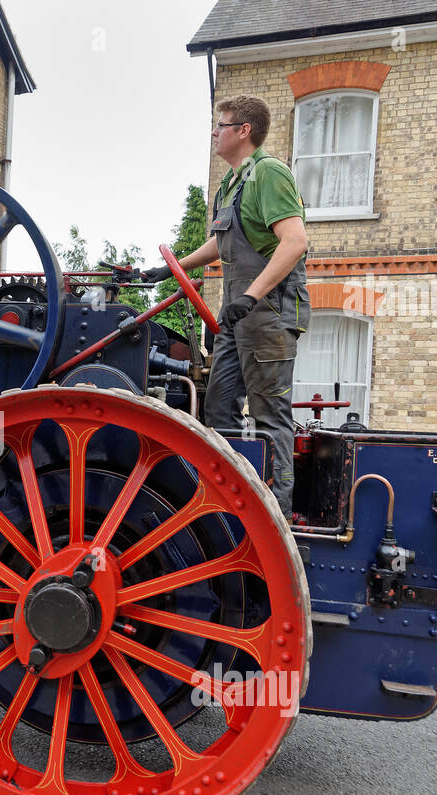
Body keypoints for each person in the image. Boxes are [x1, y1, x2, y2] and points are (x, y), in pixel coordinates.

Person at [144, 95, 309, 517]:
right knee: (218, 409)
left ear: (244, 131)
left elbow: (294, 243)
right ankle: (226, 510)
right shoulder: (232, 184)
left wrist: (251, 295)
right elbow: (222, 242)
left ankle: (280, 516)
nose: (214, 134)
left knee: (271, 416)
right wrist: (170, 269)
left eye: (220, 125)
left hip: (268, 314)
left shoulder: (269, 174)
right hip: (239, 315)